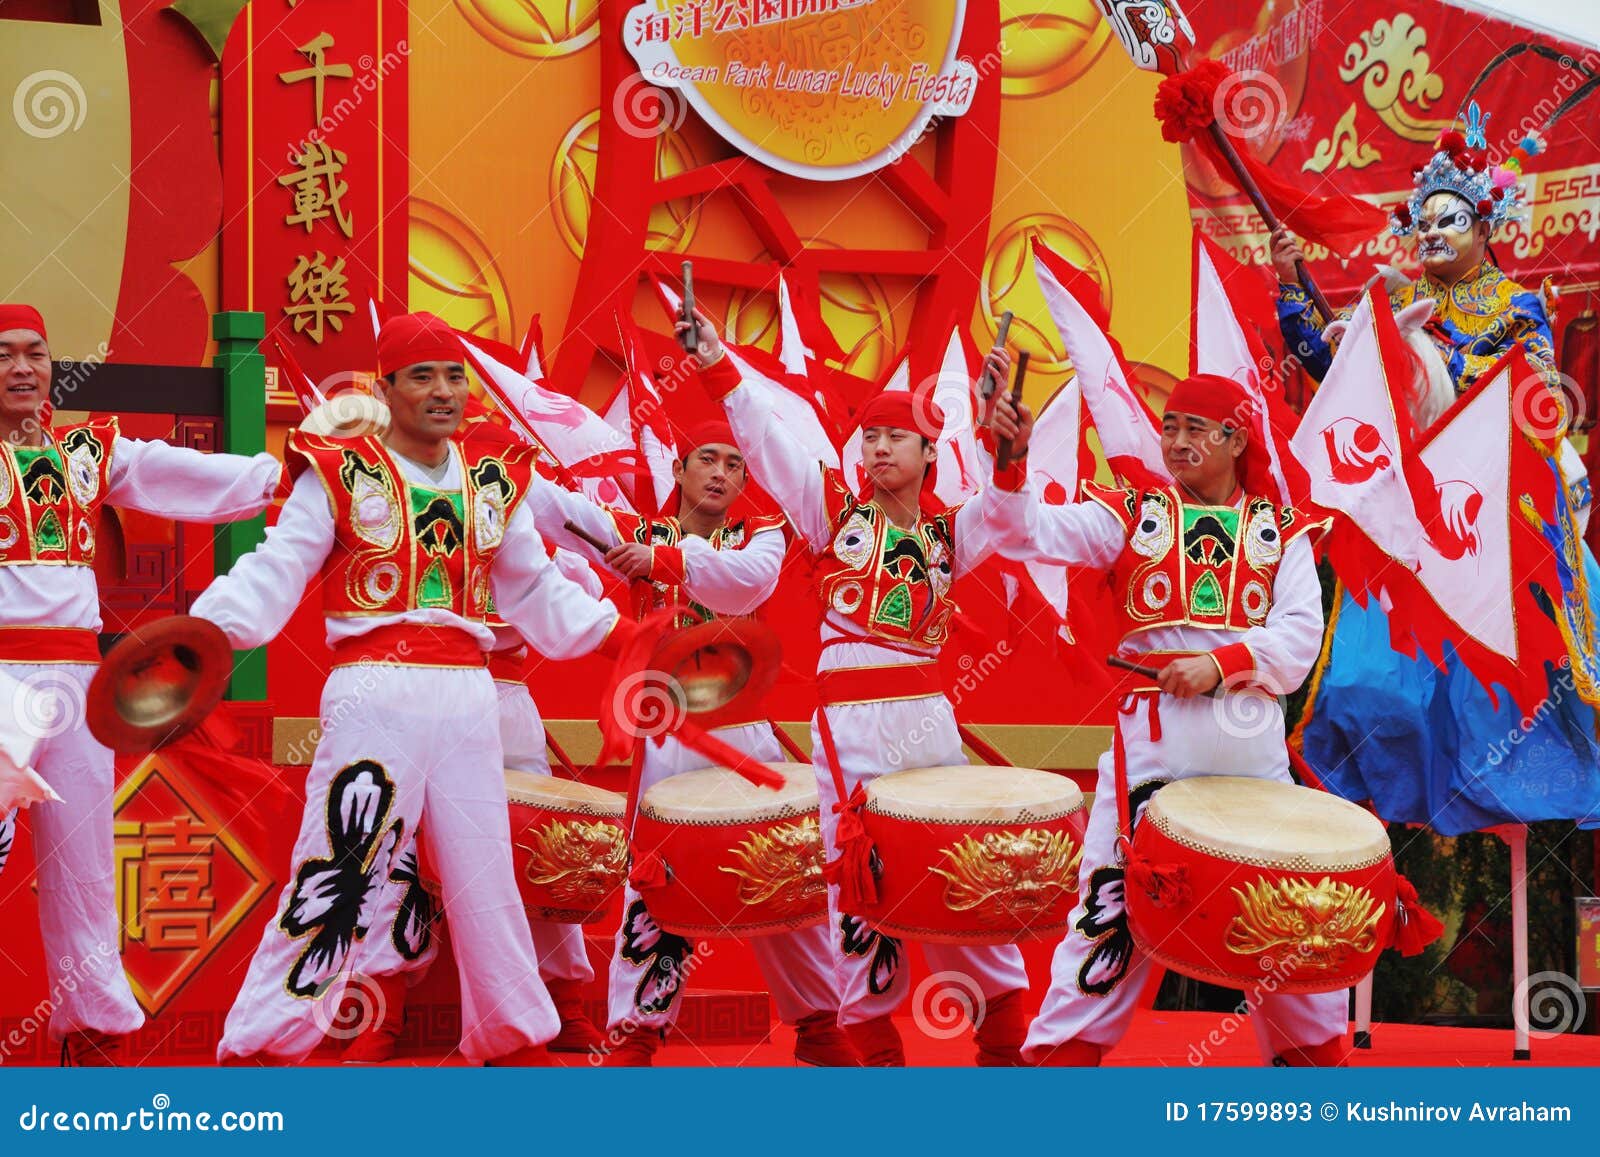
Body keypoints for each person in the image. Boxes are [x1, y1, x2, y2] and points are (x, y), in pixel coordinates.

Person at [191, 312, 629, 1066]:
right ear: (385, 387)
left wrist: (622, 637)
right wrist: (207, 633)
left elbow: (538, 590)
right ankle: (266, 1042)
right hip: (374, 689)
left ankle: (514, 1032)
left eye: (454, 374)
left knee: (485, 868)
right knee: (340, 858)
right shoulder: (338, 470)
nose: (443, 391)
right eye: (422, 375)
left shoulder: (496, 481)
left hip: (468, 692)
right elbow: (277, 567)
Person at [681, 309, 1030, 1066]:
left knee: (950, 855)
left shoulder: (949, 532)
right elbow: (770, 446)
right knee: (859, 867)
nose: (876, 448)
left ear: (930, 450)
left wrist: (1007, 448)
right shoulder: (831, 511)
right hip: (853, 723)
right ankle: (871, 1030)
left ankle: (1001, 1017)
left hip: (930, 716)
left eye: (893, 436)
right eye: (868, 436)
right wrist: (716, 362)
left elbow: (1007, 516)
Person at [987, 372, 1350, 1066]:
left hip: (1251, 752)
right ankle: (1058, 1070)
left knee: (1280, 904)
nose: (1176, 440)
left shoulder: (1279, 530)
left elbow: (1301, 635)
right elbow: (1024, 529)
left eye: (1194, 427)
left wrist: (1219, 665)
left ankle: (1311, 1071)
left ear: (1234, 438)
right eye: (1170, 426)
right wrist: (1011, 460)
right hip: (1150, 751)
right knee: (1111, 909)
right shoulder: (1129, 514)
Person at [1274, 110, 1600, 837]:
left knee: (1501, 692)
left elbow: (1539, 393)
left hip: (1485, 503)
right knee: (1369, 688)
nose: (1432, 232)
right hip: (1405, 512)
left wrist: (1434, 354)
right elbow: (1328, 371)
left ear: (1487, 229)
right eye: (1422, 220)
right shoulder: (1391, 300)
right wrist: (1290, 285)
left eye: (1450, 218)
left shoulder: (1516, 307)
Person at [0, 303, 282, 1066]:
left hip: (78, 678)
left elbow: (172, 471)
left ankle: (93, 1034)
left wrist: (273, 473)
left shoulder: (88, 450)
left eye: (36, 352)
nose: (23, 368)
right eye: (5, 355)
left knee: (85, 862)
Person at [540, 420, 853, 1067]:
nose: (720, 473)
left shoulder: (759, 536)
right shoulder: (631, 531)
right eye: (706, 459)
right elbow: (556, 509)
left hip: (744, 729)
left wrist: (663, 560)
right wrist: (504, 464)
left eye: (734, 464)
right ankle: (637, 1028)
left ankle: (820, 1022)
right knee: (658, 880)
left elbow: (745, 582)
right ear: (678, 470)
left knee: (782, 874)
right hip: (668, 737)